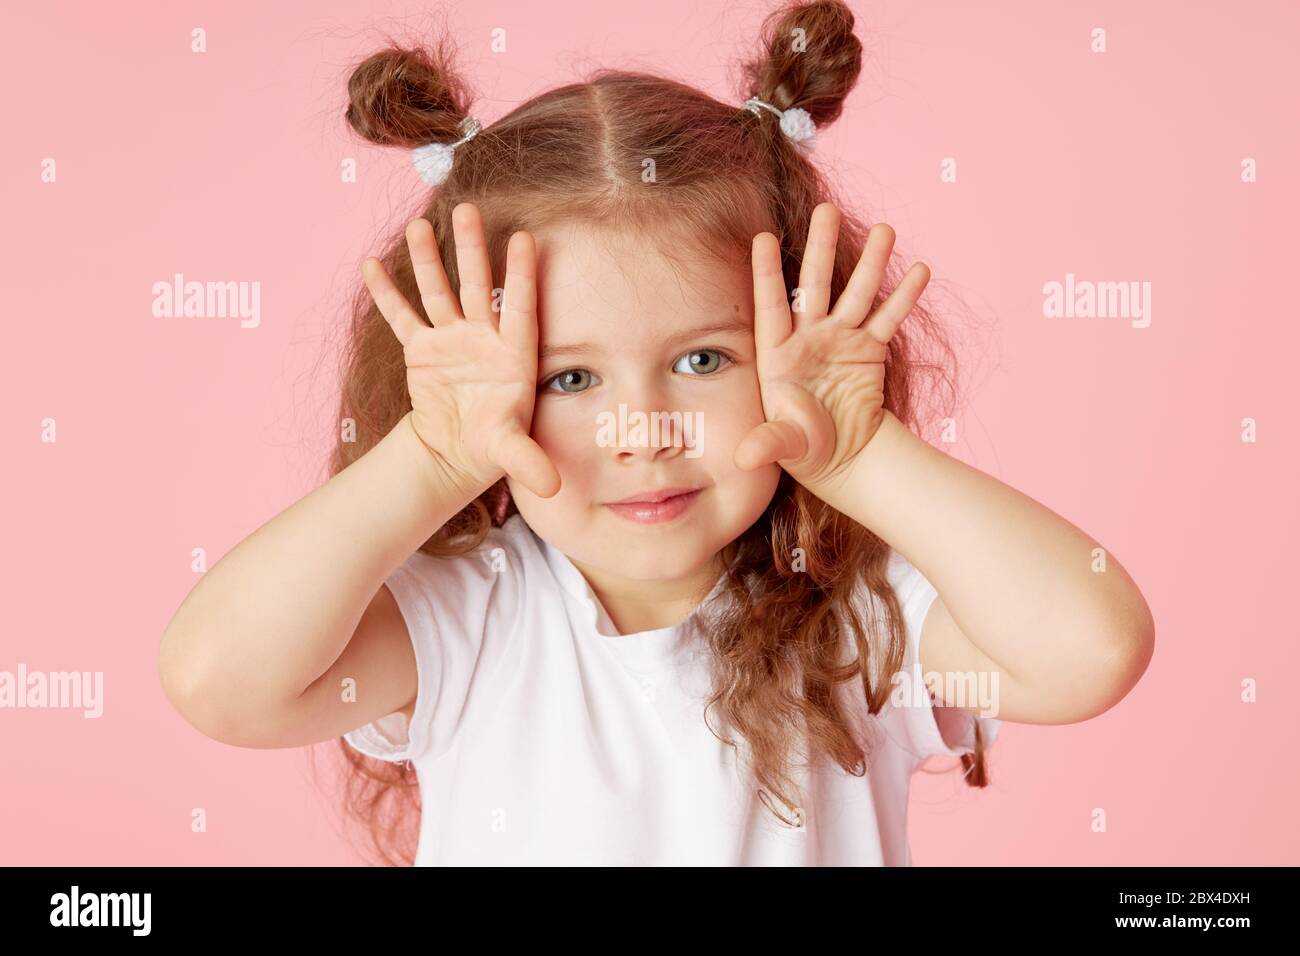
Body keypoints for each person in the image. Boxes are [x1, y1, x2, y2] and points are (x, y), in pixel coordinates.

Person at [158, 0, 1154, 866]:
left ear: (797, 340)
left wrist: (864, 455)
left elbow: (1091, 648)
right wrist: (431, 456)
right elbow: (222, 682)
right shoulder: (468, 619)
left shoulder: (859, 618)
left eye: (702, 360)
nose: (642, 432)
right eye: (571, 377)